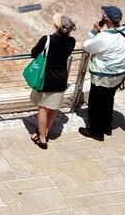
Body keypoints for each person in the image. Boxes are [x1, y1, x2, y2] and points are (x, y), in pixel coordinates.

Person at [79, 5, 125, 141]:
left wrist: (94, 30)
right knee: (108, 99)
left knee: (95, 103)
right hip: (120, 74)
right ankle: (106, 126)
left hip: (103, 77)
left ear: (106, 20)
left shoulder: (104, 37)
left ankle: (96, 132)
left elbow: (87, 46)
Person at [28, 14, 77, 149]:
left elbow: (34, 53)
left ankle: (42, 139)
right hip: (60, 79)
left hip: (45, 78)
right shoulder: (72, 42)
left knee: (42, 108)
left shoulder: (47, 39)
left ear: (57, 26)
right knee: (53, 109)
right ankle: (45, 133)